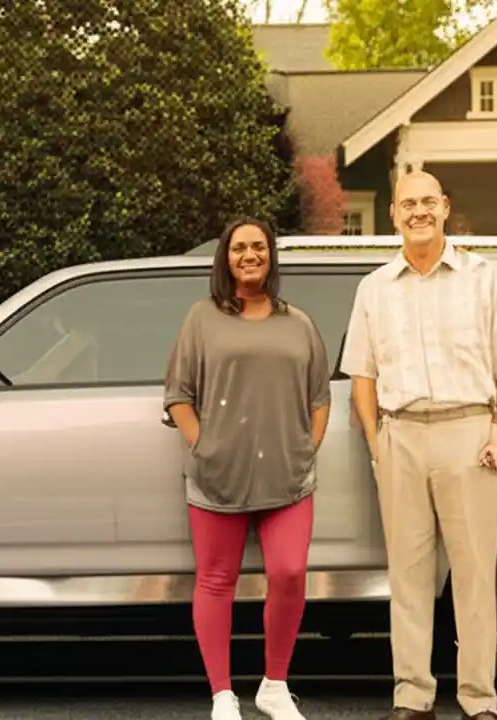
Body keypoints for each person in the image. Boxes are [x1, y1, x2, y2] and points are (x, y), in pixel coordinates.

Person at [339, 171, 497, 720]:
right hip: (400, 435)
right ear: (394, 215)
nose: (418, 211)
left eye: (428, 201)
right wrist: (378, 444)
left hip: (468, 433)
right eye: (408, 204)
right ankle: (413, 697)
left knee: (474, 574)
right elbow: (362, 376)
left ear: (445, 207)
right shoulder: (374, 288)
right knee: (408, 574)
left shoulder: (482, 279)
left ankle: (479, 701)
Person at [163, 217, 332, 720]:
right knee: (216, 581)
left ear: (271, 256)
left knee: (289, 573)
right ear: (226, 258)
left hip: (289, 478)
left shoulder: (297, 322)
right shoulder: (201, 318)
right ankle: (222, 694)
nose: (250, 254)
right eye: (240, 248)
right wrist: (203, 447)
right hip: (218, 478)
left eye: (259, 246)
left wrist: (307, 447)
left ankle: (274, 686)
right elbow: (178, 396)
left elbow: (319, 397)